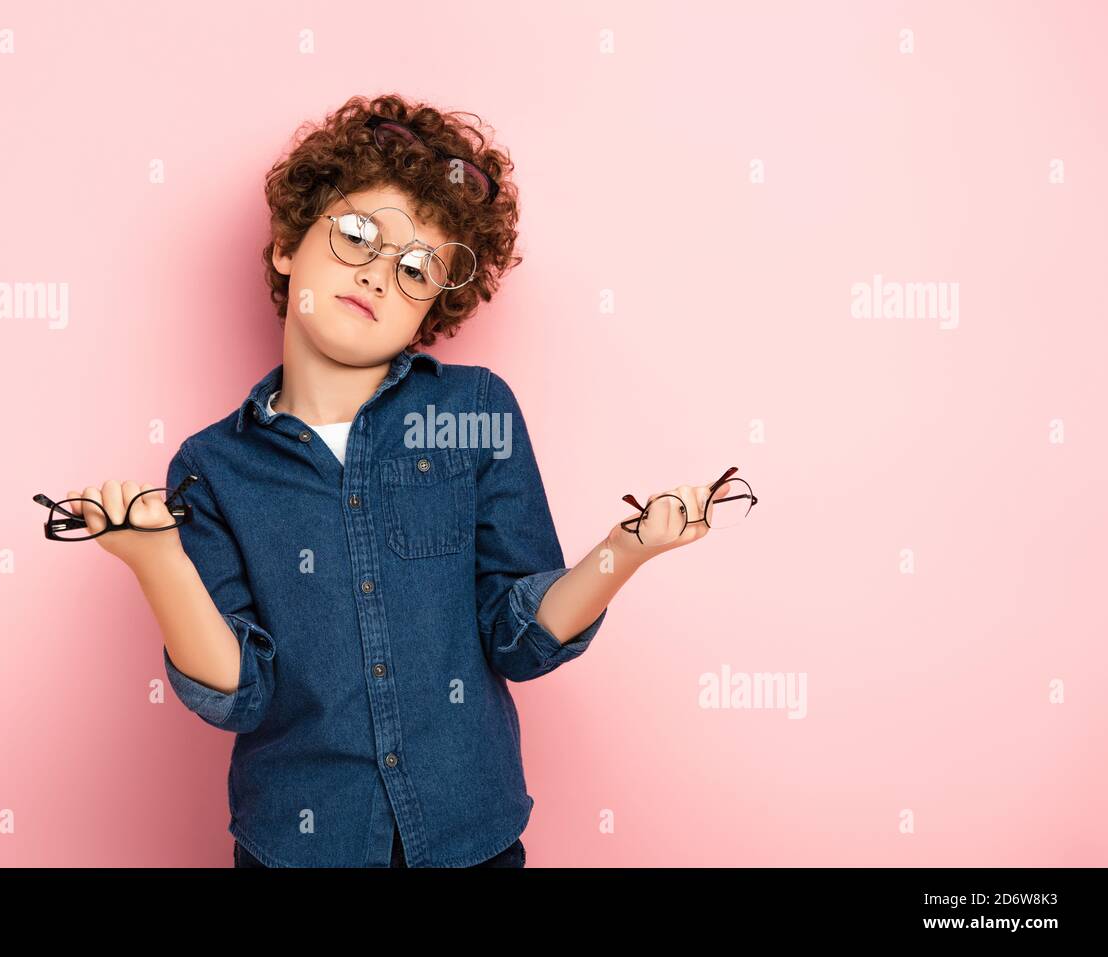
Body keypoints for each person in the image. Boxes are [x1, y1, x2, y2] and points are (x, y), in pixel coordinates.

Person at [63, 93, 721, 867]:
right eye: (356, 236)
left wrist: (622, 551)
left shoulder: (476, 411)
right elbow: (240, 690)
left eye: (415, 268)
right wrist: (156, 561)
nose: (379, 276)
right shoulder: (213, 467)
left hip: (472, 838)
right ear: (285, 245)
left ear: (435, 306)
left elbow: (518, 637)